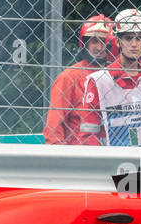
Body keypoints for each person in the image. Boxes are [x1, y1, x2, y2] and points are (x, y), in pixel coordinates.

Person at [77, 8, 141, 147]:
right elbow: (88, 135)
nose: (134, 44)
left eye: (139, 38)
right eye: (128, 38)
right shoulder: (98, 81)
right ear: (117, 41)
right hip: (110, 163)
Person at [44, 14, 115, 145]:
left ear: (111, 45)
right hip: (78, 155)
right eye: (94, 41)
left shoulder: (116, 76)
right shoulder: (69, 77)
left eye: (103, 41)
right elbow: (54, 128)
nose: (99, 47)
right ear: (85, 43)